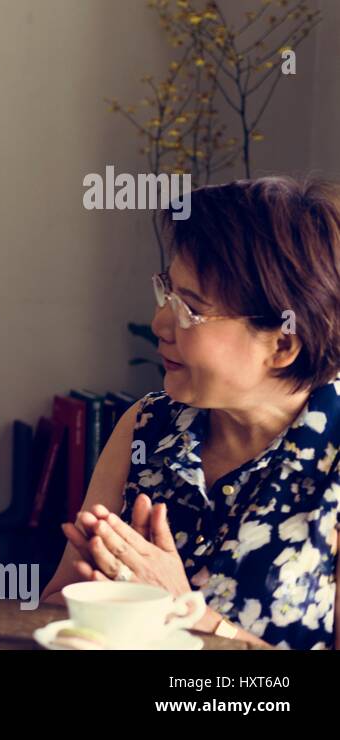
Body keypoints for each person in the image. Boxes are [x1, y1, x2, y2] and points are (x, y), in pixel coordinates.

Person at [42, 177, 340, 650]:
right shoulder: (147, 424)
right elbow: (58, 603)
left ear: (281, 343)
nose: (160, 321)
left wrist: (184, 611)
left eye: (189, 308)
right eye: (168, 291)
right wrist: (100, 597)